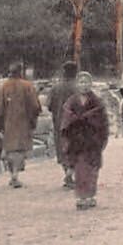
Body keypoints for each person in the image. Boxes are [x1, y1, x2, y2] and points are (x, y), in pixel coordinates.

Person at [59, 71, 109, 210]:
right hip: (77, 141)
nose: (84, 85)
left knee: (92, 169)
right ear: (77, 84)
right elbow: (66, 118)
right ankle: (81, 197)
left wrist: (101, 136)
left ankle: (90, 196)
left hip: (92, 140)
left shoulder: (97, 101)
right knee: (80, 170)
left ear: (91, 84)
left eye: (86, 82)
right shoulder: (71, 101)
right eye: (81, 82)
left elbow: (103, 121)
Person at [0, 61, 41, 187]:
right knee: (19, 150)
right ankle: (15, 174)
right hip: (23, 123)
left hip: (7, 124)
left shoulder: (4, 87)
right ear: (21, 72)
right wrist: (32, 120)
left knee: (10, 149)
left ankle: (13, 174)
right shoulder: (27, 86)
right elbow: (35, 106)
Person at [46, 60, 79, 188]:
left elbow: (49, 106)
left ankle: (68, 173)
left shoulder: (55, 88)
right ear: (76, 73)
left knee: (62, 150)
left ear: (63, 72)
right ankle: (70, 174)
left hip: (59, 124)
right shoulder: (78, 89)